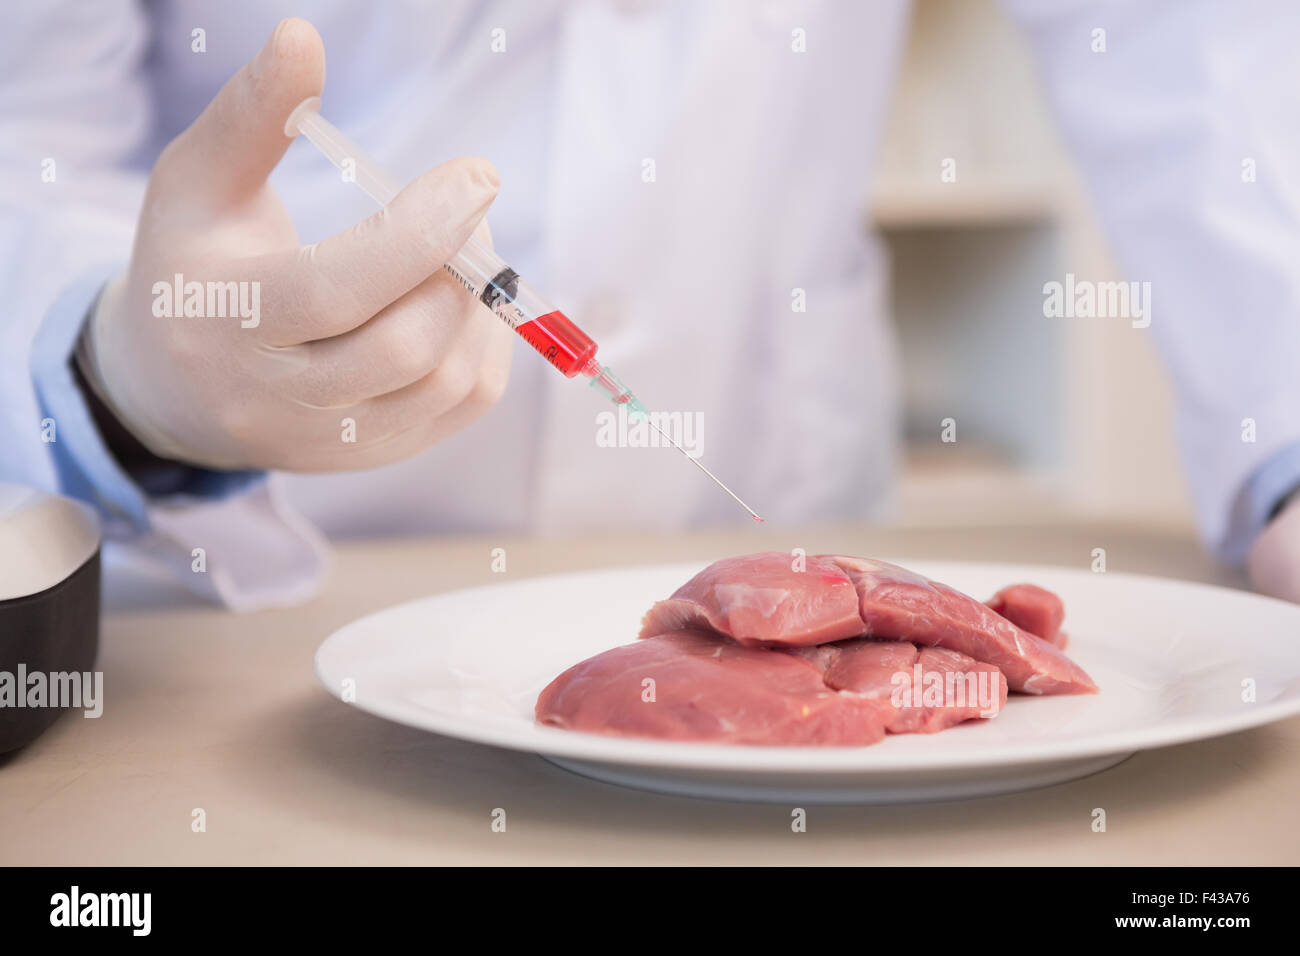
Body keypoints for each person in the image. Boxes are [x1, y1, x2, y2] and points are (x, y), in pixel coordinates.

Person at [2, 1, 1298, 609]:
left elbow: (1180, 28)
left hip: (780, 476)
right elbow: (25, 118)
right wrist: (115, 366)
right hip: (248, 596)